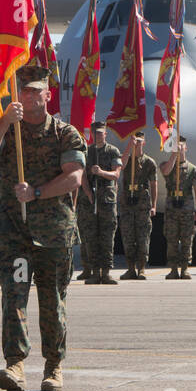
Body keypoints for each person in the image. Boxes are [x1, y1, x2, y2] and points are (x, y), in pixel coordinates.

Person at [0, 65, 86, 391]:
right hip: (15, 230)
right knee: (14, 296)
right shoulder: (9, 131)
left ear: (48, 95)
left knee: (52, 300)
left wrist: (37, 192)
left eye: (35, 91)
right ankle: (15, 364)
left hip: (54, 232)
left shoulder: (65, 133)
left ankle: (53, 368)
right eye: (24, 91)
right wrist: (3, 122)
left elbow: (74, 177)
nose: (29, 97)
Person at [78, 122, 123, 284]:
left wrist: (101, 172)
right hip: (90, 201)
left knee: (107, 236)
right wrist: (88, 192)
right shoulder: (87, 152)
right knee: (91, 237)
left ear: (105, 134)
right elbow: (82, 174)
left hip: (106, 200)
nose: (98, 135)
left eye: (101, 133)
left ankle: (106, 272)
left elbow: (116, 174)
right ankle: (94, 272)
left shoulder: (112, 151)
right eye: (95, 133)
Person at [160, 136, 196, 279]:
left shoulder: (193, 170)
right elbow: (165, 172)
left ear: (186, 148)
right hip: (171, 208)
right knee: (172, 239)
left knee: (186, 239)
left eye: (181, 146)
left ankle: (185, 268)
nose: (180, 149)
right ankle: (173, 269)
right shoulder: (167, 165)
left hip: (187, 209)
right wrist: (174, 154)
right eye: (176, 146)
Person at [118, 132, 158, 280]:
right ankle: (130, 268)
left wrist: (154, 205)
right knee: (128, 237)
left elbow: (154, 185)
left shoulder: (149, 163)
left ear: (144, 143)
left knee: (143, 237)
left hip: (142, 204)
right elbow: (121, 166)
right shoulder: (127, 159)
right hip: (127, 203)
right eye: (136, 141)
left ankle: (141, 268)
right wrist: (129, 146)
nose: (138, 144)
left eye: (140, 142)